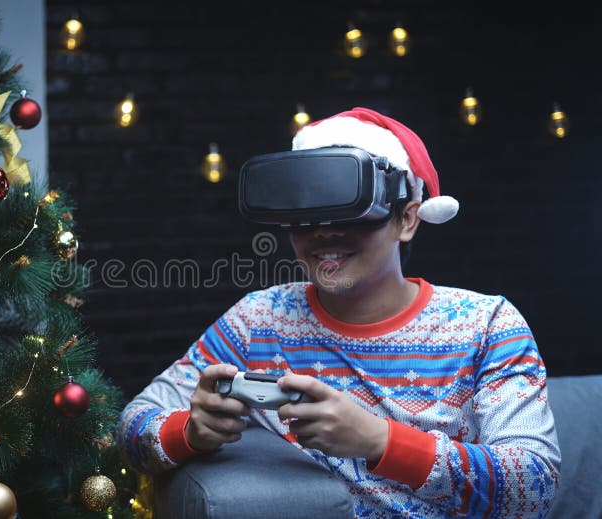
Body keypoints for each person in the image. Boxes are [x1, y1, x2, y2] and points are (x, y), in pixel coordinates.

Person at [115, 107, 561, 517]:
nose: (324, 234)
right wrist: (189, 432)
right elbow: (132, 426)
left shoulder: (487, 325)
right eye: (306, 217)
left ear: (407, 219)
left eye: (350, 213)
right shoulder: (260, 320)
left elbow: (535, 487)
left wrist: (379, 440)